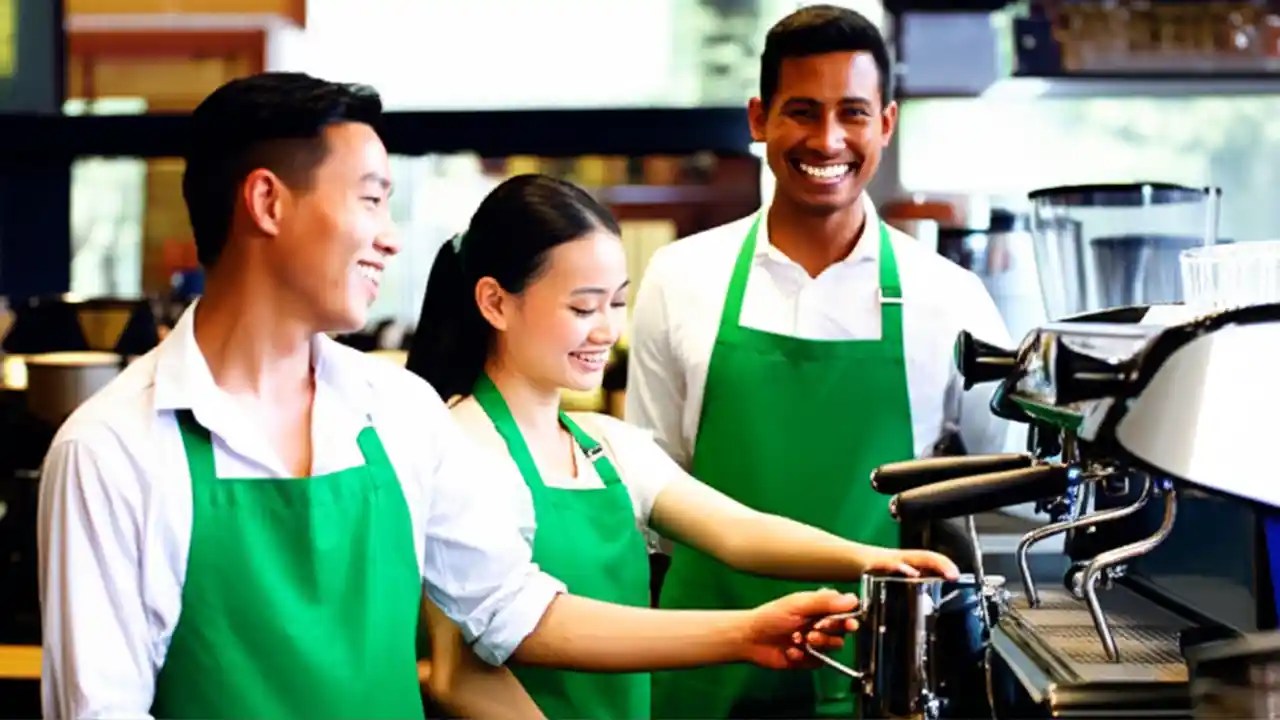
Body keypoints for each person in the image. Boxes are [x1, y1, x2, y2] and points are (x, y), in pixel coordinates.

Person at [35, 72, 864, 720]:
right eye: (370, 198)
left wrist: (745, 631)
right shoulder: (113, 449)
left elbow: (515, 610)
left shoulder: (396, 413)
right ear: (266, 202)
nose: (390, 235)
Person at [403, 173, 960, 720]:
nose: (605, 331)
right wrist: (743, 632)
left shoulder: (603, 445)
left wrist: (873, 560)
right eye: (582, 308)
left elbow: (739, 531)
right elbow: (462, 679)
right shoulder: (458, 446)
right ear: (495, 303)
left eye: (616, 304)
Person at [625, 6, 1014, 719]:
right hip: (705, 667)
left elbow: (995, 483)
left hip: (874, 671)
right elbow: (652, 489)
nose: (828, 139)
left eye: (853, 113)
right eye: (801, 111)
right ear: (758, 118)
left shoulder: (949, 298)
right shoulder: (680, 279)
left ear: (886, 125)